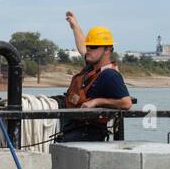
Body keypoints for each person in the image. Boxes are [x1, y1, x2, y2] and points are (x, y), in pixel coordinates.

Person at [57, 11, 133, 143]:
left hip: (89, 135)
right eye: (88, 46)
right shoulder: (92, 67)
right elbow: (82, 46)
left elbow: (126, 103)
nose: (88, 49)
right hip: (73, 130)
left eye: (93, 47)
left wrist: (97, 102)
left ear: (107, 50)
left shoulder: (110, 75)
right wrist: (75, 26)